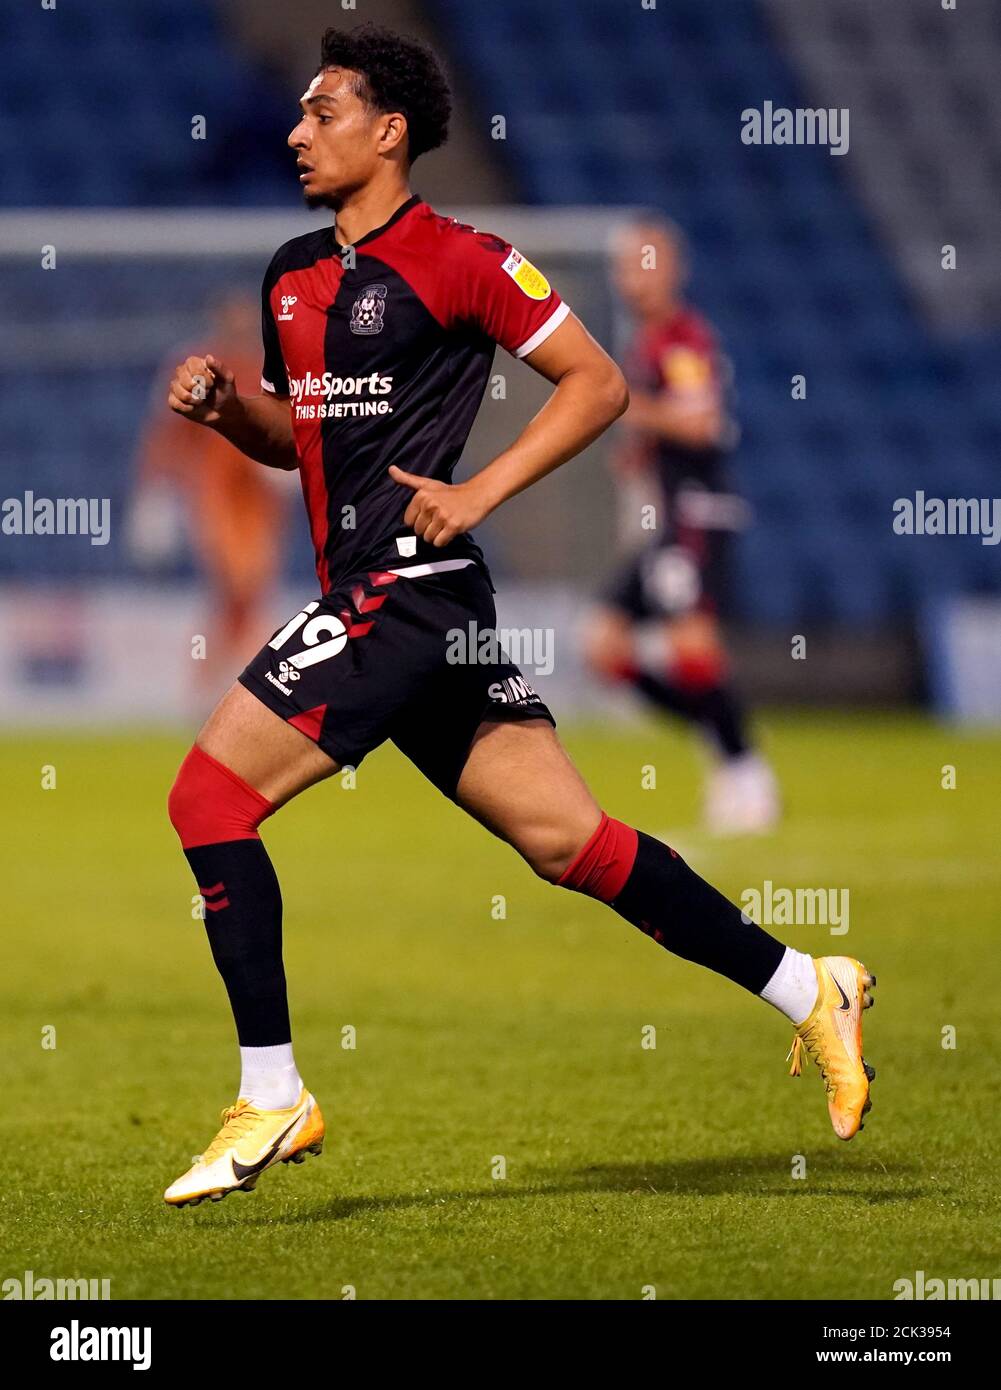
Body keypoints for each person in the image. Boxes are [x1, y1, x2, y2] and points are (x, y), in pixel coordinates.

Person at [162, 24, 876, 1208]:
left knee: (207, 797)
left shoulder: (460, 257)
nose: (295, 131)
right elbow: (304, 443)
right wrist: (229, 411)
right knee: (570, 843)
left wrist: (480, 489)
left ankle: (272, 1091)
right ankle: (810, 986)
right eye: (296, 113)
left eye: (321, 112)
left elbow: (598, 383)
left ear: (387, 132)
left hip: (412, 590)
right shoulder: (288, 274)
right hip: (388, 597)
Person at [585, 218, 779, 834]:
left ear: (672, 269)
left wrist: (630, 408)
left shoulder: (684, 339)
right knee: (603, 646)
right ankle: (723, 744)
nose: (632, 274)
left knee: (692, 647)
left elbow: (701, 424)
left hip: (696, 514)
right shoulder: (644, 345)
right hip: (667, 519)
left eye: (646, 261)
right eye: (625, 263)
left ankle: (745, 771)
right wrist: (639, 447)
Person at [131, 291, 292, 698]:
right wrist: (155, 494)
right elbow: (167, 434)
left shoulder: (269, 369)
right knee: (237, 586)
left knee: (249, 593)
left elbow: (294, 427)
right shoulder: (195, 368)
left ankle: (220, 682)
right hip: (216, 491)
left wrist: (286, 463)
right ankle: (222, 683)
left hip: (261, 499)